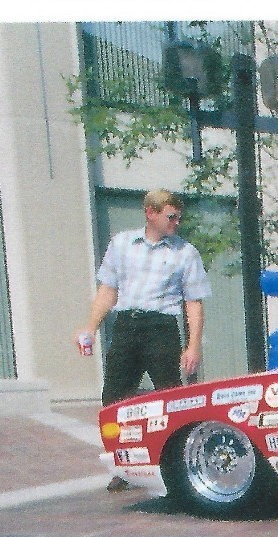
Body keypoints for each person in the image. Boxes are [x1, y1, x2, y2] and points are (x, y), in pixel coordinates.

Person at [78, 189, 211, 489]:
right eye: (171, 217)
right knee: (114, 398)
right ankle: (121, 466)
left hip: (161, 327)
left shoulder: (185, 252)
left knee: (170, 398)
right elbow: (107, 291)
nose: (176, 222)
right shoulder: (122, 244)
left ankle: (176, 464)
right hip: (127, 324)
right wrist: (90, 328)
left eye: (178, 217)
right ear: (150, 213)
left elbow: (194, 302)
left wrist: (193, 345)